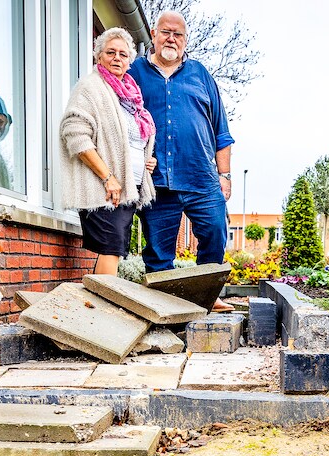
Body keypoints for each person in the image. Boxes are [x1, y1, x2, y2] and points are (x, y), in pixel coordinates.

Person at [128, 10, 236, 311]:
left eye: (178, 34)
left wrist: (224, 176)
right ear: (154, 34)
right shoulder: (134, 74)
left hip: (201, 176)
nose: (171, 38)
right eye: (166, 32)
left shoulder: (201, 74)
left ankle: (207, 298)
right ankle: (164, 308)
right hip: (156, 180)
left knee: (215, 233)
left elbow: (222, 132)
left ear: (185, 40)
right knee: (159, 251)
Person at [59, 27, 157, 275]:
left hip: (125, 189)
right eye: (110, 52)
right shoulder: (91, 88)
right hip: (105, 189)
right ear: (98, 56)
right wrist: (107, 177)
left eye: (123, 54)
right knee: (111, 249)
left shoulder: (129, 93)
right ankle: (101, 311)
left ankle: (96, 308)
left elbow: (132, 139)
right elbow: (75, 133)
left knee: (113, 250)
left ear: (130, 60)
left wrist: (147, 159)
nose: (117, 58)